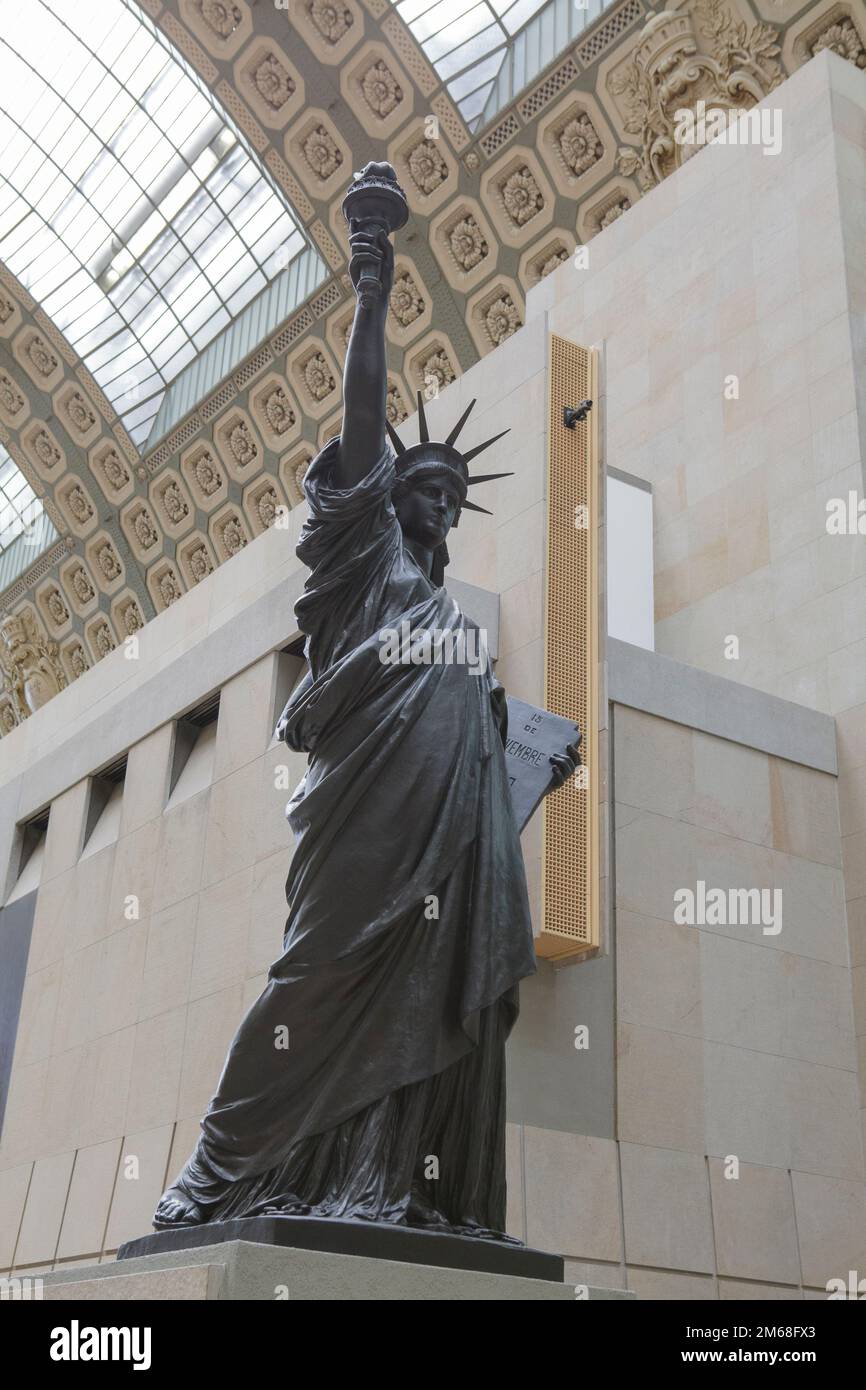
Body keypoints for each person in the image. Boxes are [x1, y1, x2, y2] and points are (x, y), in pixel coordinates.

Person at [153, 214, 579, 1239]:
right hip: (361, 829)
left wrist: (527, 757)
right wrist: (373, 290)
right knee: (318, 970)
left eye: (452, 495)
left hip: (447, 857)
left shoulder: (458, 627)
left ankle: (396, 1186)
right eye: (422, 487)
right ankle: (217, 1175)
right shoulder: (364, 571)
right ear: (386, 498)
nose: (438, 502)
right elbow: (357, 419)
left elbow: (470, 760)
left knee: (438, 1004)